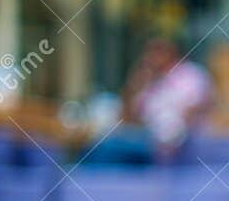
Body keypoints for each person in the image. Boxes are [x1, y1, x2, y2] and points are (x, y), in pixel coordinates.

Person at [88, 38, 216, 164]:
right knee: (98, 146)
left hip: (180, 144)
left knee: (107, 151)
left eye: (158, 51)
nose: (151, 57)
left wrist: (171, 135)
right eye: (149, 52)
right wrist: (133, 88)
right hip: (147, 140)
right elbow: (126, 118)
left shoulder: (190, 75)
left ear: (172, 52)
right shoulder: (149, 80)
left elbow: (196, 110)